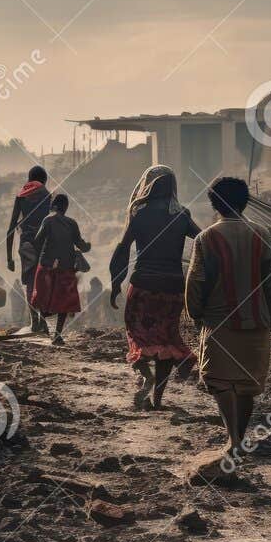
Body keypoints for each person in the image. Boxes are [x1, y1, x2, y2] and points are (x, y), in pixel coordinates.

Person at [185, 177, 271, 461]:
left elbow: (196, 281)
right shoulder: (262, 234)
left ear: (213, 203)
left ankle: (233, 437)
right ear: (245, 201)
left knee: (221, 381)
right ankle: (238, 435)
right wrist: (270, 312)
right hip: (256, 319)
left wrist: (195, 312)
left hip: (219, 321)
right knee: (247, 383)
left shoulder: (206, 238)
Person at [110, 164, 200, 410]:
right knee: (167, 340)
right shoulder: (182, 214)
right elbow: (203, 239)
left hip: (143, 284)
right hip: (172, 287)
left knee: (137, 332)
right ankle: (158, 399)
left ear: (148, 185)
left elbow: (122, 247)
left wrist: (115, 282)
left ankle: (145, 375)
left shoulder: (138, 212)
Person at [30, 194, 89, 345]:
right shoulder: (72, 223)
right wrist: (87, 246)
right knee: (65, 303)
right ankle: (57, 335)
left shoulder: (48, 220)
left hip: (48, 266)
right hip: (67, 267)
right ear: (66, 207)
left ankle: (46, 325)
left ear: (53, 206)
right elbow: (81, 245)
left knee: (44, 299)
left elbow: (37, 241)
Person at [5, 166, 52, 333]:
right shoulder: (47, 195)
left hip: (26, 244)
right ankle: (42, 320)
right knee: (45, 280)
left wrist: (8, 257)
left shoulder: (21, 196)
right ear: (44, 180)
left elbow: (11, 227)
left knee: (30, 282)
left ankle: (34, 321)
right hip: (45, 243)